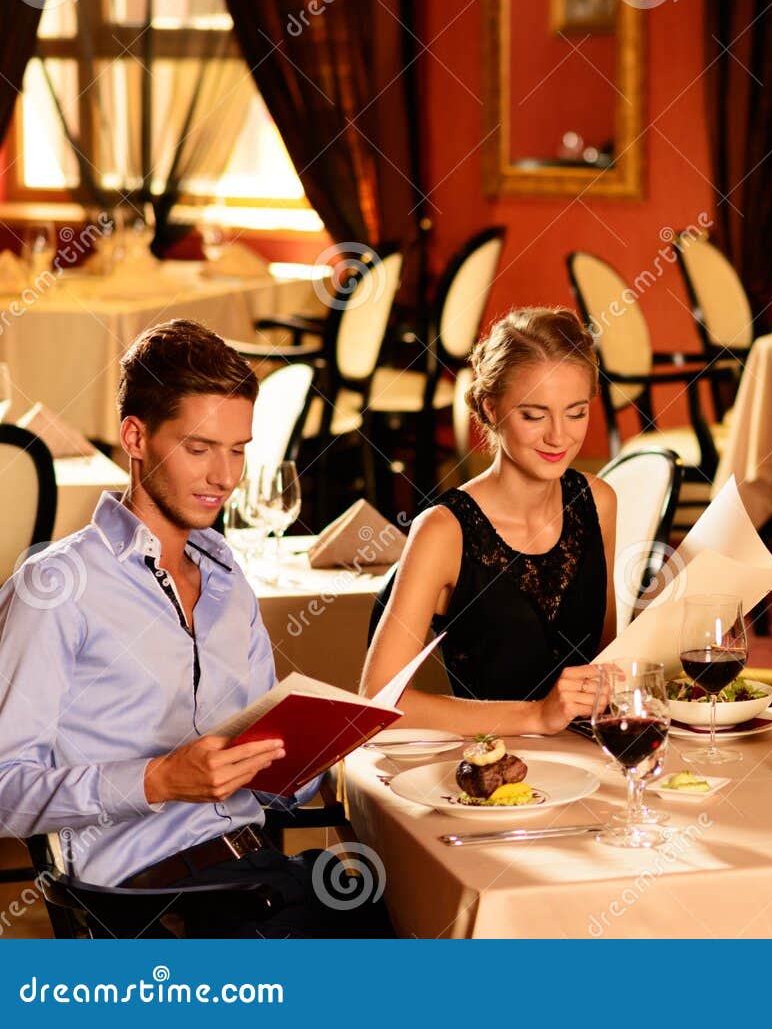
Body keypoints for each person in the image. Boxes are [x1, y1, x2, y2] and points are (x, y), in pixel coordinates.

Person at [0, 320, 389, 936]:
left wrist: (312, 751)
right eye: (200, 448)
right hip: (146, 903)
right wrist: (156, 780)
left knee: (401, 907)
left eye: (238, 450)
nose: (225, 477)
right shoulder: (55, 589)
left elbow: (269, 775)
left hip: (251, 873)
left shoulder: (227, 575)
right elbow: (4, 790)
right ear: (136, 436)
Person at [363, 307, 617, 733]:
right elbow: (377, 700)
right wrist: (538, 715)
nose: (559, 436)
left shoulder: (598, 501)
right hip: (487, 772)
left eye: (576, 413)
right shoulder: (444, 531)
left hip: (590, 763)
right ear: (491, 408)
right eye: (534, 415)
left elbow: (607, 657)